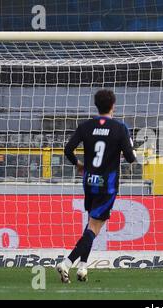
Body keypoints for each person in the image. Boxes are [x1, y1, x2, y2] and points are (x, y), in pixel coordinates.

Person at [56, 89, 137, 283]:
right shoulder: (119, 128)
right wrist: (128, 149)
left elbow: (68, 150)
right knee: (94, 226)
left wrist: (78, 164)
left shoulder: (86, 126)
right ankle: (67, 263)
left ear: (96, 105)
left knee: (92, 224)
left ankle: (83, 267)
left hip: (89, 181)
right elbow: (131, 158)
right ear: (113, 105)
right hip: (107, 185)